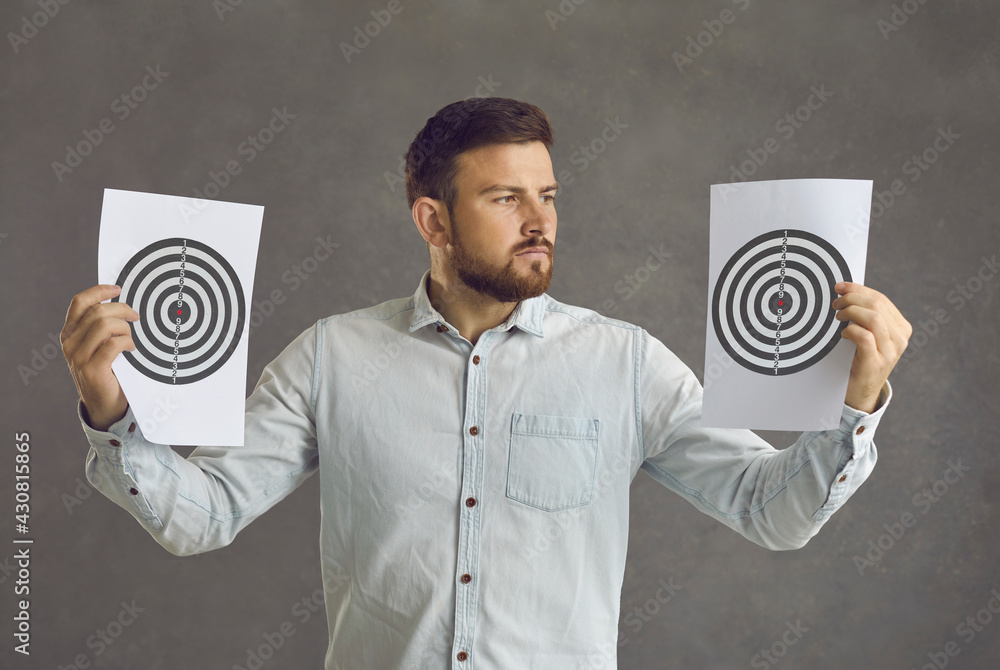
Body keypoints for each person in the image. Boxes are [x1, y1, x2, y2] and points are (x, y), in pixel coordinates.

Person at [61, 97, 912, 669]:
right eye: (506, 199)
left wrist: (856, 403)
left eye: (548, 195)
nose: (540, 222)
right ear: (432, 219)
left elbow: (770, 512)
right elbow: (204, 515)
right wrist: (109, 404)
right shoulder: (332, 357)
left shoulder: (625, 362)